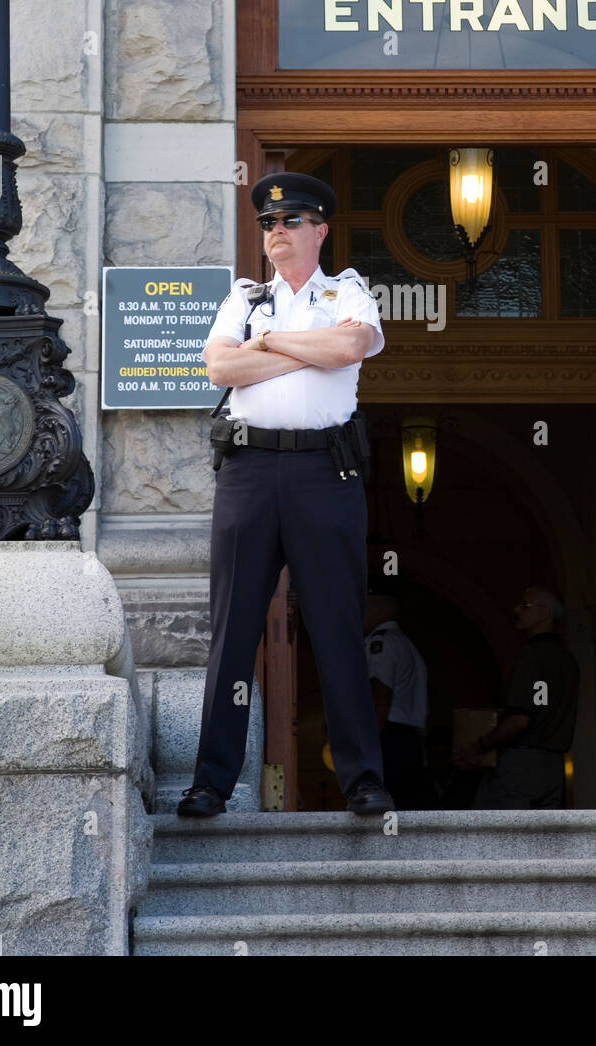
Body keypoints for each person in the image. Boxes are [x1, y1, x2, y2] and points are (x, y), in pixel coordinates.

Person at [177, 172, 395, 818]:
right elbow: (220, 367)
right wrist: (306, 352)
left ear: (319, 230)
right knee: (232, 630)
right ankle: (211, 782)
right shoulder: (242, 299)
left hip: (324, 474)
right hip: (248, 471)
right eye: (269, 223)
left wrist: (266, 346)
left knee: (335, 628)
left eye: (291, 220)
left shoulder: (345, 291)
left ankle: (360, 779)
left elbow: (352, 344)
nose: (276, 231)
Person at [453, 584, 579, 809]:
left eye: (525, 605)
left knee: (505, 838)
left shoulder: (531, 656)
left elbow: (519, 720)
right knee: (542, 839)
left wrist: (479, 745)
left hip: (521, 766)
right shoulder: (567, 660)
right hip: (554, 768)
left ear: (544, 613)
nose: (516, 609)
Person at [365, 587, 435, 809]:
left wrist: (366, 748)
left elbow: (380, 700)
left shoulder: (381, 642)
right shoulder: (407, 645)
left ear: (377, 609)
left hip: (390, 739)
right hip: (410, 741)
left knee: (384, 810)